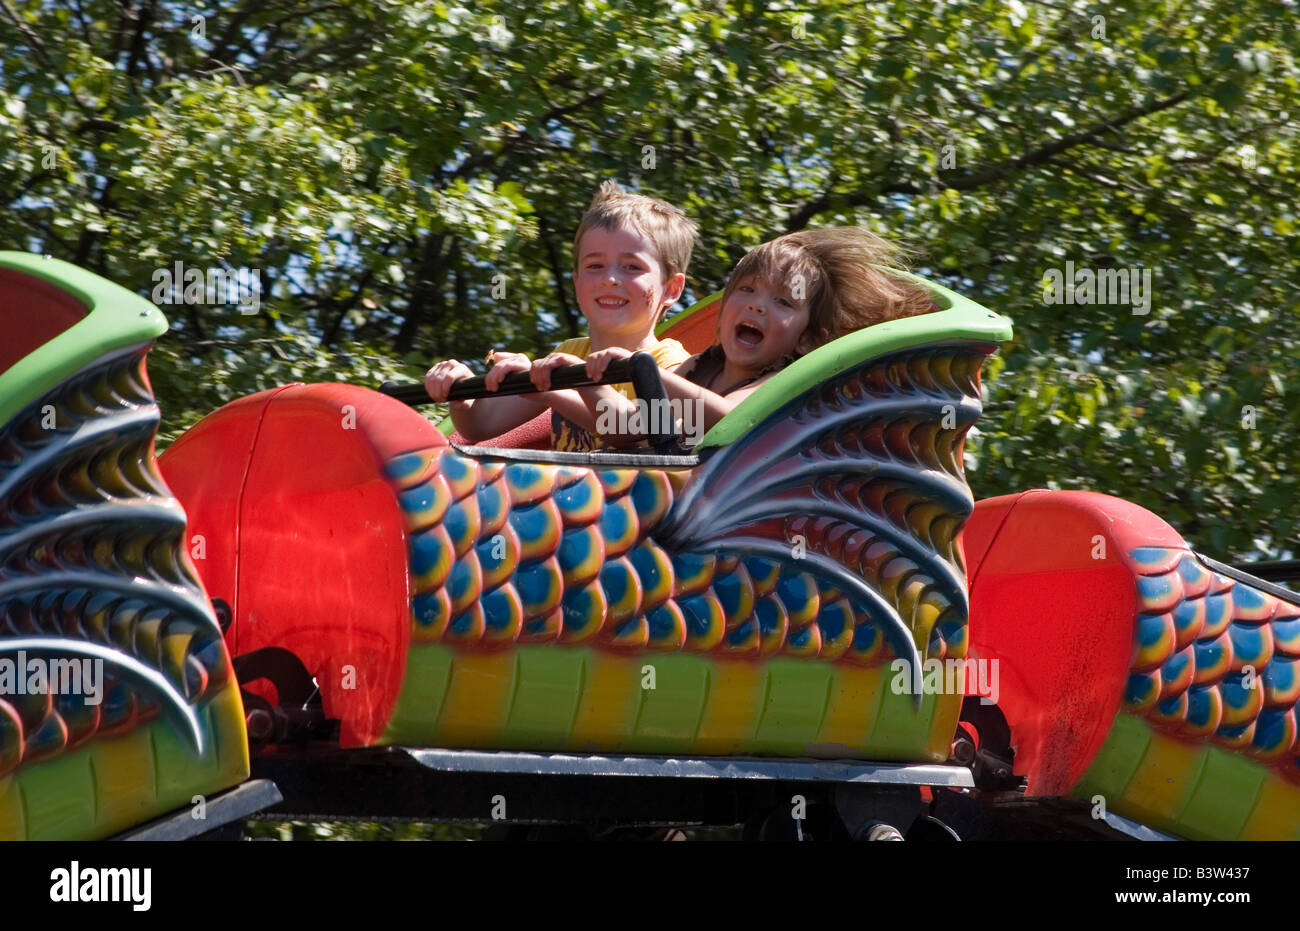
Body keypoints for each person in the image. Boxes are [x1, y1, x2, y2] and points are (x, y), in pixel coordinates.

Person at [534, 226, 936, 448]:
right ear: (723, 311)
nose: (757, 307)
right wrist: (585, 381)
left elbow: (731, 417)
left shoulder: (779, 379)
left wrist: (647, 374)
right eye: (746, 291)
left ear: (803, 336)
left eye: (782, 301)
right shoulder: (699, 367)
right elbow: (630, 428)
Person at [423, 181, 697, 450]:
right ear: (577, 283)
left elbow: (640, 429)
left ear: (671, 289)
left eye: (632, 267)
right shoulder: (569, 353)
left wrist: (552, 389)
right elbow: (480, 426)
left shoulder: (670, 364)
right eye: (595, 265)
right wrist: (461, 393)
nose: (610, 279)